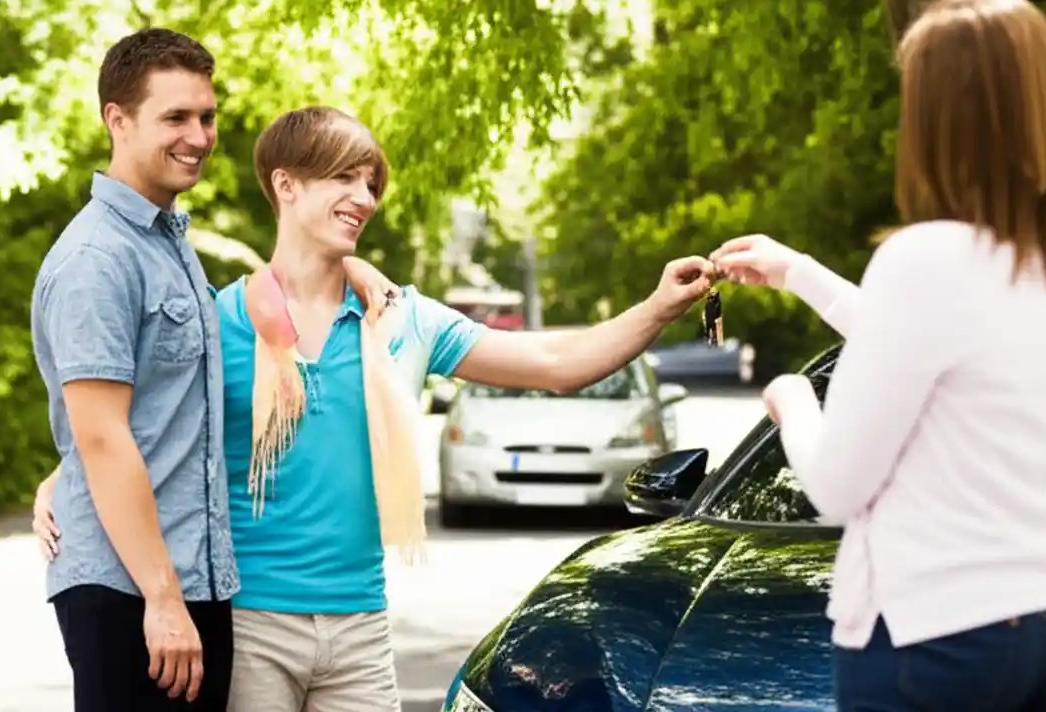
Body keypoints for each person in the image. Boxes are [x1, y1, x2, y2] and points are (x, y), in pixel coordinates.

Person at [35, 104, 718, 710]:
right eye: (344, 178)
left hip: (360, 628)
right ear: (286, 184)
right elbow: (141, 427)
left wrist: (658, 307)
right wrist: (64, 476)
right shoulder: (220, 322)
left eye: (370, 183)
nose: (364, 197)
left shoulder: (402, 320)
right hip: (250, 625)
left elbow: (557, 366)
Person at [710, 0, 1046, 710]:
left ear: (940, 121)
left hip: (935, 640)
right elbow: (956, 344)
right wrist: (800, 273)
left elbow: (839, 487)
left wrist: (795, 403)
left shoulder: (924, 261)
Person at [28, 29, 397, 710]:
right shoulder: (97, 259)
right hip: (132, 592)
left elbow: (175, 402)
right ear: (117, 119)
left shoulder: (169, 248)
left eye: (206, 116)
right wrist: (163, 600)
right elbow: (104, 437)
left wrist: (352, 265)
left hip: (195, 589)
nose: (198, 136)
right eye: (175, 117)